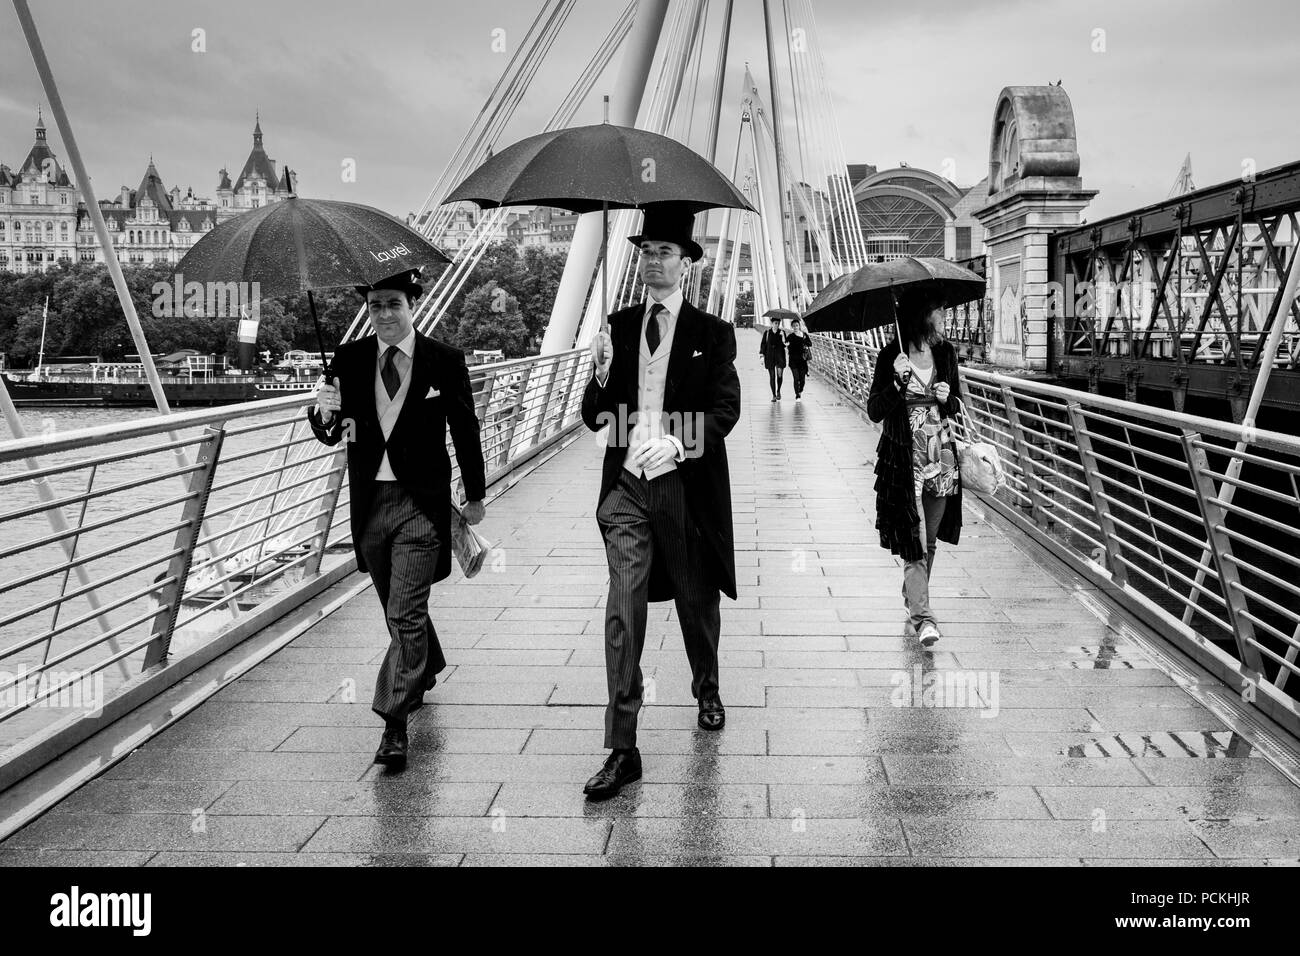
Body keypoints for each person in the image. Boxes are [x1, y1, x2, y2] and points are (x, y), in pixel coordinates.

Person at [580, 204, 741, 800]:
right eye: (645, 251)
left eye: (664, 252)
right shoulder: (617, 328)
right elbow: (595, 417)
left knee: (697, 604)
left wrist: (679, 441)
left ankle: (708, 686)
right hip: (626, 488)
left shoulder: (712, 334)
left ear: (687, 263)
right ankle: (623, 748)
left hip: (685, 489)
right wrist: (597, 376)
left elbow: (727, 409)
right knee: (624, 609)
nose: (652, 260)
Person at [308, 268, 486, 770]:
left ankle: (393, 722)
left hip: (421, 505)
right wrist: (323, 413)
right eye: (375, 305)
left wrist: (475, 495)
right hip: (370, 505)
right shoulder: (348, 359)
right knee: (396, 609)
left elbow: (466, 429)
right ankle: (427, 664)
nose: (384, 314)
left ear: (413, 304)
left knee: (405, 611)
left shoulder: (443, 361)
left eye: (393, 304)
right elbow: (332, 434)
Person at [866, 290, 964, 647]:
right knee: (915, 541)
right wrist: (895, 382)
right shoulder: (892, 356)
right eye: (939, 308)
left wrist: (945, 397)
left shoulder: (946, 353)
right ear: (923, 314)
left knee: (930, 540)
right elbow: (874, 410)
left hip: (942, 458)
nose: (943, 315)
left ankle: (913, 600)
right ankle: (924, 619)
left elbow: (956, 404)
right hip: (905, 460)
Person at [758, 315, 788, 401]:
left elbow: (785, 345)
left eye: (778, 323)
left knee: (779, 375)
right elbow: (763, 344)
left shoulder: (782, 333)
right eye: (775, 323)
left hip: (780, 357)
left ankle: (778, 390)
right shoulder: (767, 333)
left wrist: (783, 337)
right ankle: (774, 395)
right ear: (772, 323)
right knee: (772, 376)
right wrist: (761, 355)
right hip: (769, 356)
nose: (777, 325)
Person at [786, 317, 811, 399]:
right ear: (792, 327)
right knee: (796, 378)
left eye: (797, 325)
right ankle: (797, 395)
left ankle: (800, 390)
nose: (795, 327)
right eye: (793, 326)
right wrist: (786, 344)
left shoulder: (804, 335)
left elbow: (810, 344)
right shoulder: (790, 336)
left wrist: (803, 340)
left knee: (802, 380)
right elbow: (785, 344)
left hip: (802, 361)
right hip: (793, 360)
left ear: (799, 326)